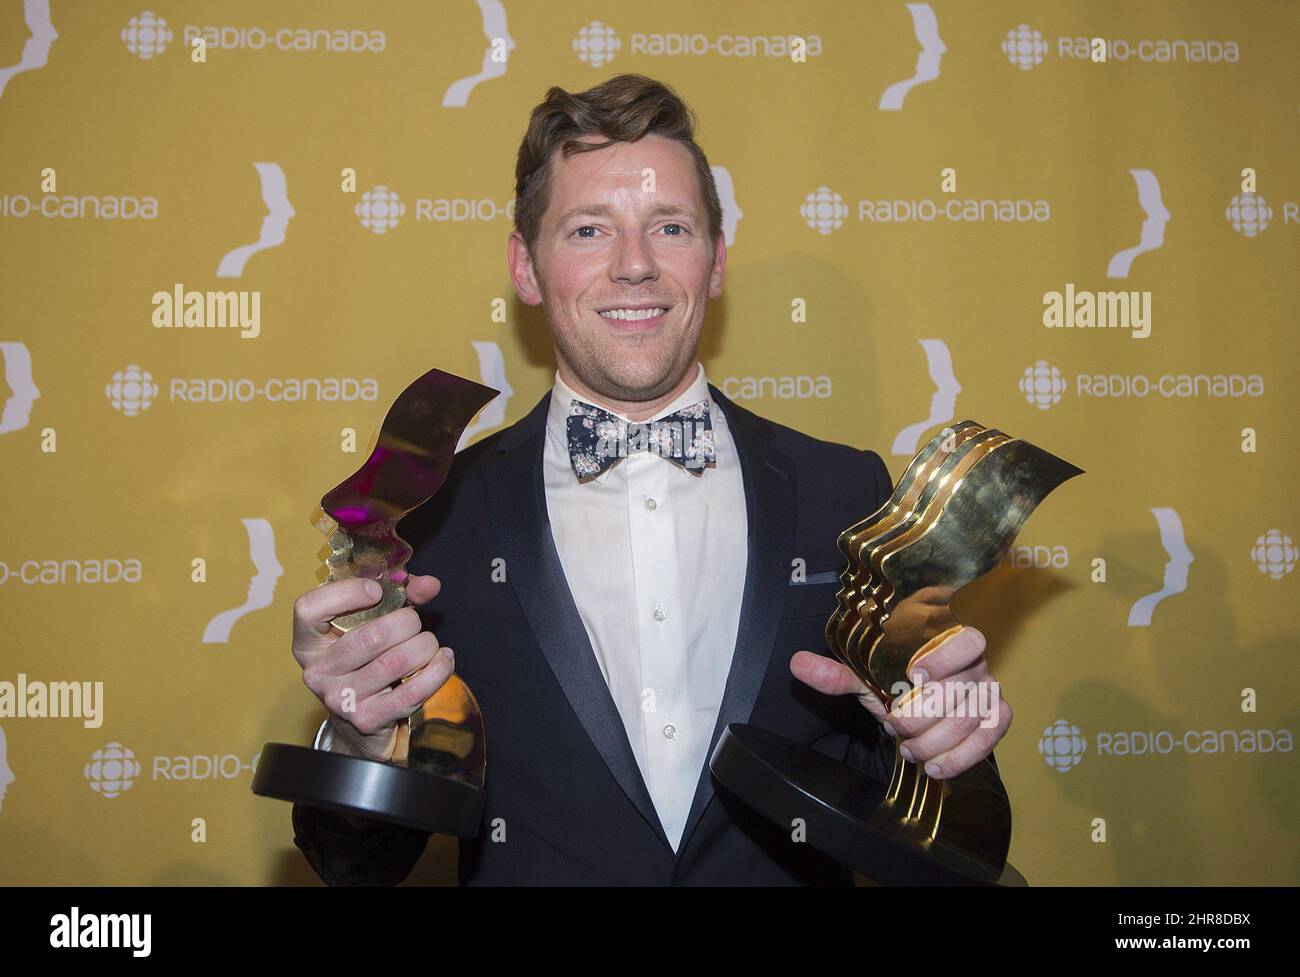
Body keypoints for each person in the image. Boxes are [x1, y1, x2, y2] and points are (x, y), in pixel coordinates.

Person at [288, 73, 1012, 885]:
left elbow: (914, 817)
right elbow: (354, 862)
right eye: (590, 230)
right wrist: (360, 736)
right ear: (526, 268)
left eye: (670, 226)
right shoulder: (437, 517)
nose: (635, 266)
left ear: (716, 259)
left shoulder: (843, 489)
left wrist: (945, 740)